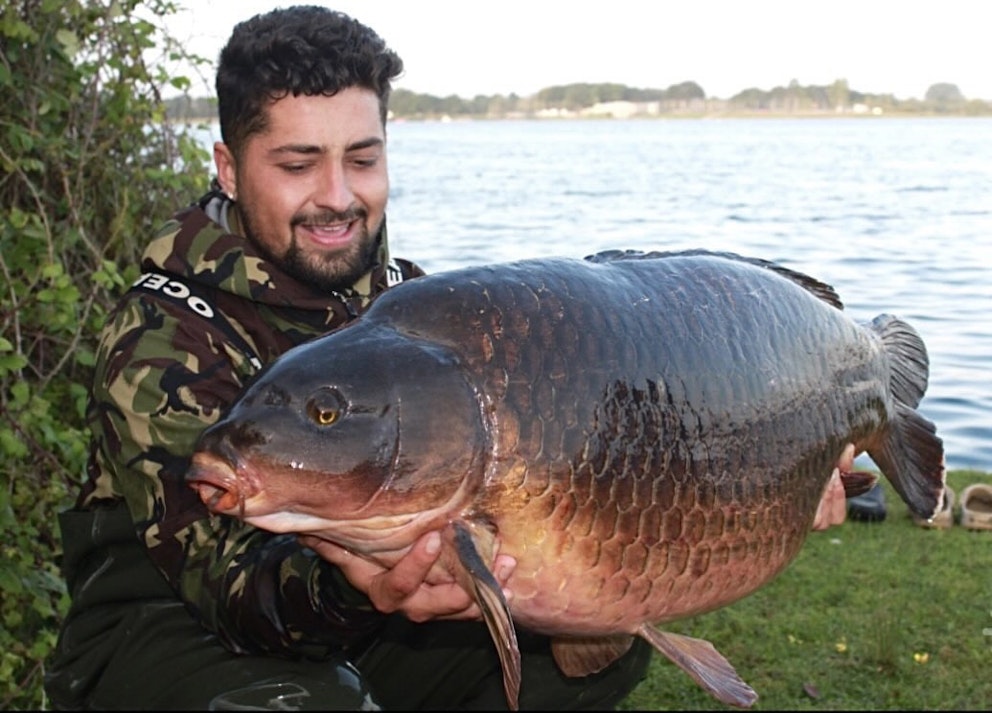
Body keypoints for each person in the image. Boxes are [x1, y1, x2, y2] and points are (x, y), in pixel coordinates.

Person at [44, 6, 846, 709]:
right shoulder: (162, 336)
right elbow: (231, 588)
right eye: (297, 165)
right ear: (228, 167)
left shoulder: (414, 309)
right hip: (161, 631)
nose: (336, 196)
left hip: (360, 625)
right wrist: (359, 577)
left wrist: (778, 468)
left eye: (362, 158)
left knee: (580, 665)